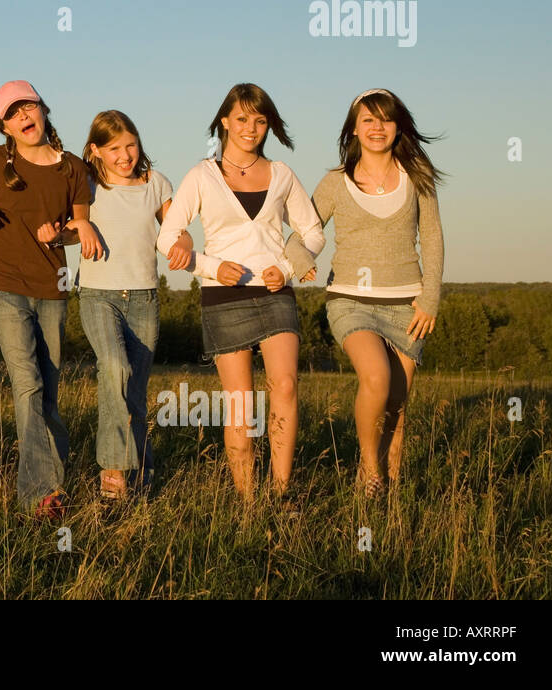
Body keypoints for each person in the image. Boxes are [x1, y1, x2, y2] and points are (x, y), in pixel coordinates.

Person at [157, 83, 324, 497]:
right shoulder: (202, 175)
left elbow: (314, 232)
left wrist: (286, 269)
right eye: (243, 119)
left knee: (284, 386)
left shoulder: (282, 174)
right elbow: (167, 237)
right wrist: (210, 266)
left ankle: (281, 494)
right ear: (225, 122)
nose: (252, 128)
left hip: (275, 293)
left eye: (261, 120)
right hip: (222, 295)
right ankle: (248, 502)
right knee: (240, 401)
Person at [293, 88, 444, 499]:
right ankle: (369, 469)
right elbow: (304, 232)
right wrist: (298, 258)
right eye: (368, 120)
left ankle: (390, 493)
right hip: (350, 299)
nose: (377, 127)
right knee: (376, 377)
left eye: (386, 119)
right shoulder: (335, 182)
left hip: (408, 304)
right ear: (354, 128)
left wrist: (431, 297)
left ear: (398, 127)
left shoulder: (418, 177)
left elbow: (431, 238)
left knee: (396, 406)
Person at [0, 80, 98, 520]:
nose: (23, 117)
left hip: (53, 287)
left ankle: (52, 471)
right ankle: (41, 494)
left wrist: (65, 233)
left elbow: (80, 226)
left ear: (43, 109)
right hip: (4, 284)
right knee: (27, 383)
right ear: (5, 127)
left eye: (28, 107)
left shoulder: (72, 168)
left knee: (48, 388)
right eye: (12, 114)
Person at [77, 110, 189, 501]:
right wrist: (73, 227)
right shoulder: (86, 184)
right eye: (114, 148)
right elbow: (65, 227)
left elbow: (175, 229)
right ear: (96, 151)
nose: (125, 155)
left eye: (131, 145)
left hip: (144, 297)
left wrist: (185, 243)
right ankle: (112, 476)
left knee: (134, 392)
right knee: (115, 369)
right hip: (98, 294)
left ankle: (141, 480)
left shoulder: (156, 183)